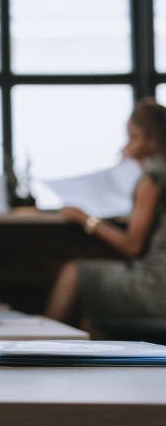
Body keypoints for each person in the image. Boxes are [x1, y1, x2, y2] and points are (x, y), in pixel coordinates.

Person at [46, 98, 166, 328]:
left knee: (75, 272)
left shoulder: (153, 178)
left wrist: (85, 218)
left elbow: (132, 246)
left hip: (157, 287)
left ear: (151, 140)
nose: (125, 146)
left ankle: (35, 347)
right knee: (92, 310)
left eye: (133, 137)